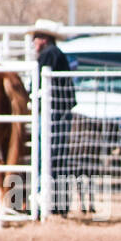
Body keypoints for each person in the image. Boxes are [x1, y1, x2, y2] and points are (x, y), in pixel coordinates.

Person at [28, 19, 77, 215]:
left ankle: (47, 204)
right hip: (57, 113)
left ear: (44, 39)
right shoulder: (55, 54)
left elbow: (40, 84)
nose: (33, 42)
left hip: (52, 114)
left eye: (36, 38)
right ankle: (55, 204)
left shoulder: (49, 55)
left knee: (47, 158)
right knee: (55, 159)